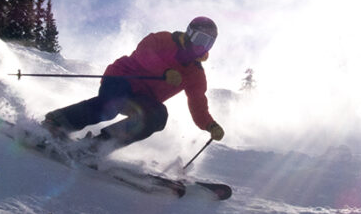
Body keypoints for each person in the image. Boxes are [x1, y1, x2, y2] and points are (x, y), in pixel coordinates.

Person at [42, 16, 225, 152]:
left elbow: (197, 101)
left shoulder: (196, 73)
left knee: (158, 115)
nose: (203, 47)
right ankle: (57, 122)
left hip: (142, 98)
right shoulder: (164, 39)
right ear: (190, 34)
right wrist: (164, 71)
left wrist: (209, 125)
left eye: (209, 43)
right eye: (201, 40)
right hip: (122, 78)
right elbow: (144, 54)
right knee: (110, 107)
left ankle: (99, 145)